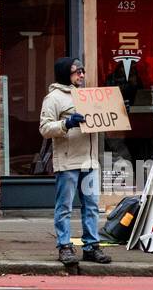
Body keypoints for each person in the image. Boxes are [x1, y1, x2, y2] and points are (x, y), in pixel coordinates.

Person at [39, 57, 112, 266]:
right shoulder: (53, 98)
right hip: (68, 162)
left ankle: (91, 247)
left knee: (91, 206)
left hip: (89, 162)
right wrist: (67, 123)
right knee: (65, 207)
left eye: (82, 71)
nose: (81, 75)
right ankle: (64, 246)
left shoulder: (87, 96)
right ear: (65, 74)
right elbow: (44, 129)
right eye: (76, 72)